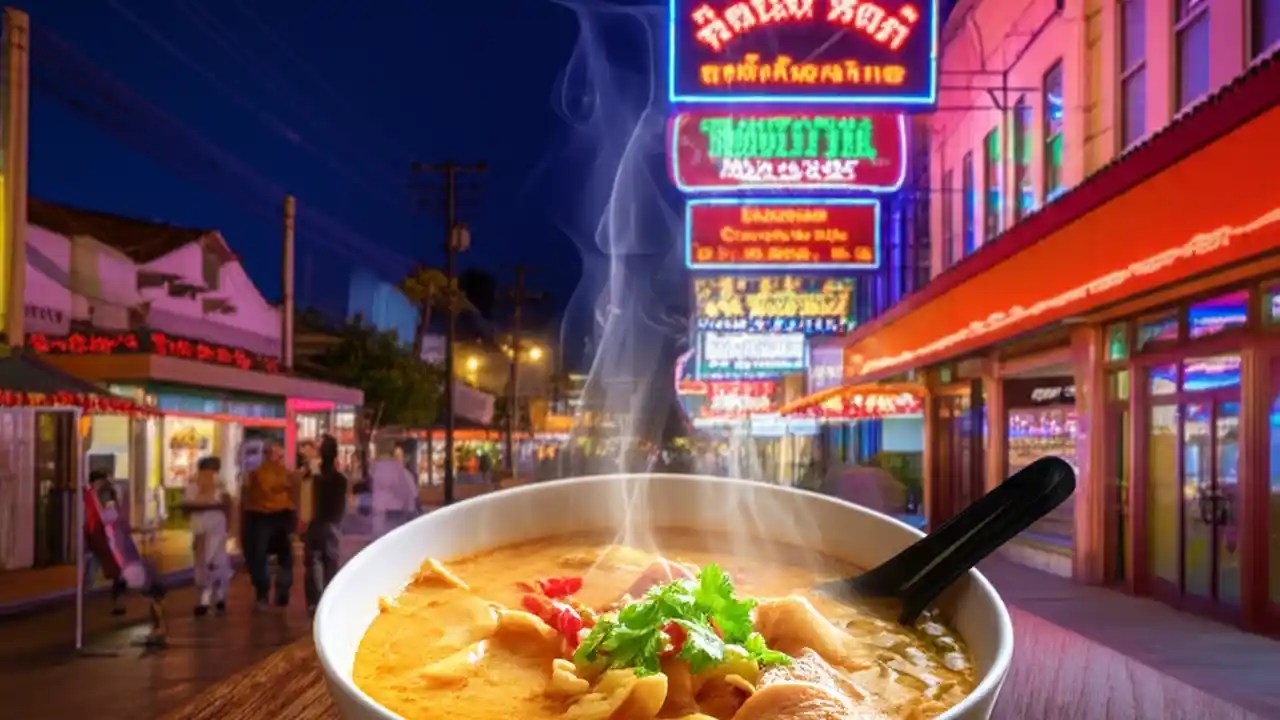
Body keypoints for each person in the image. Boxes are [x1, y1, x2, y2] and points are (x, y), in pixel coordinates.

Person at [242, 443, 298, 612]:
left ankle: (267, 593)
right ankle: (275, 592)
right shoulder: (280, 474)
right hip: (268, 516)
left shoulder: (257, 474)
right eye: (277, 455)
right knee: (280, 556)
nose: (280, 459)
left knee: (265, 556)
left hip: (267, 517)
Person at [181, 457, 233, 616]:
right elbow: (227, 503)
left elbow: (186, 506)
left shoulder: (195, 483)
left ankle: (208, 597)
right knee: (214, 560)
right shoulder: (217, 482)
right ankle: (217, 596)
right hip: (213, 525)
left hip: (204, 526)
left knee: (206, 561)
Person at [305, 435, 348, 616]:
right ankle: (329, 600)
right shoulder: (340, 480)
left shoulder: (314, 477)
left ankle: (315, 602)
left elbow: (307, 500)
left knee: (314, 560)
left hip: (316, 521)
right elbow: (341, 506)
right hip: (332, 524)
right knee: (331, 562)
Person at [369, 439, 419, 538]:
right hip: (395, 510)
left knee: (381, 537)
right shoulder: (400, 470)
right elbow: (409, 493)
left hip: (379, 509)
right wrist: (409, 508)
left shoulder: (375, 469)